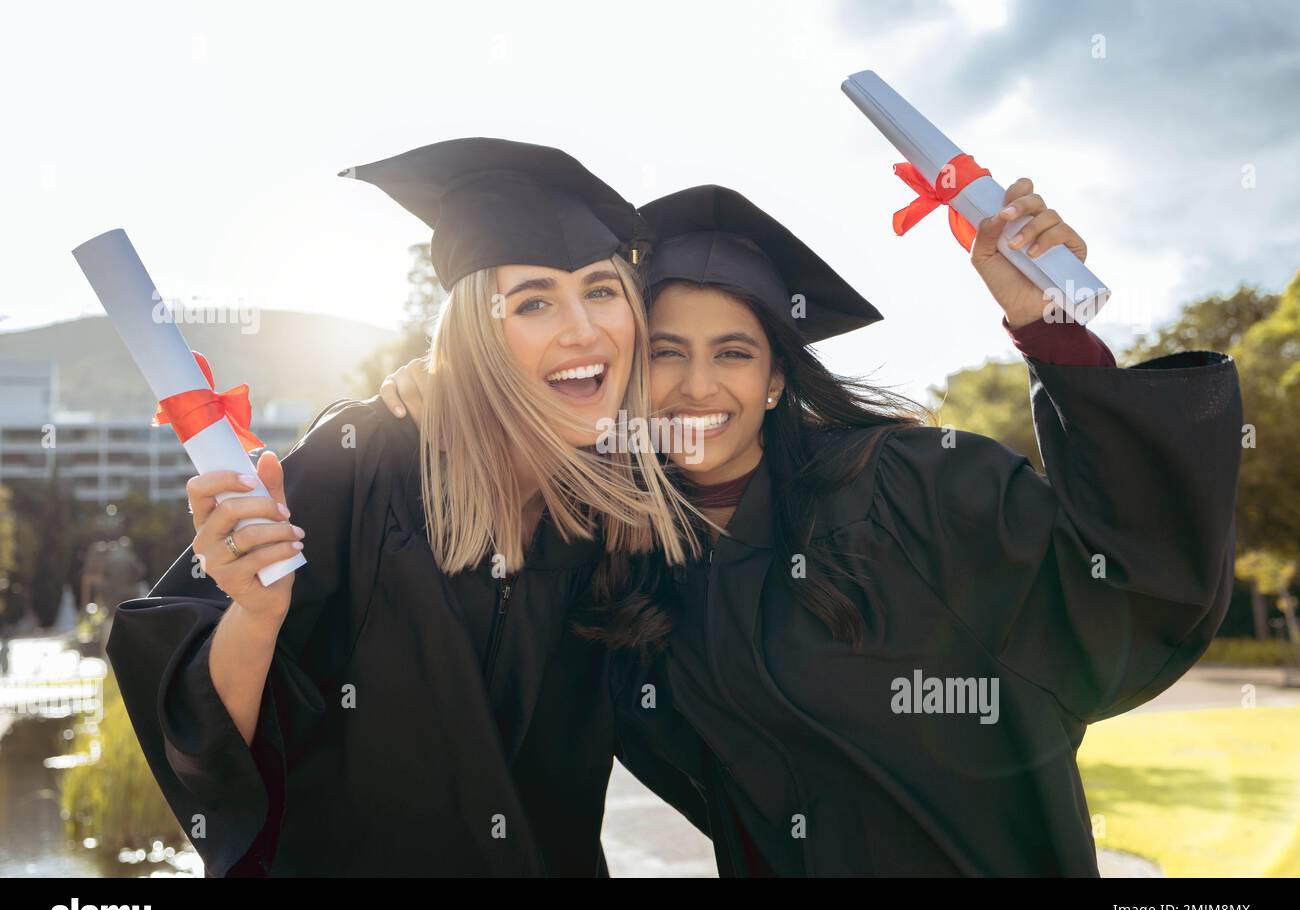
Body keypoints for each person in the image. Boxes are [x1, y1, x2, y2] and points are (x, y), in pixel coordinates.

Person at [380, 179, 1242, 875]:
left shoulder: (911, 488)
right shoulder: (619, 567)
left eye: (734, 353)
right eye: (666, 353)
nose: (696, 388)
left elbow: (1128, 574)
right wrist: (461, 390)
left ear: (777, 383)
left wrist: (1050, 327)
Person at [106, 138, 697, 876]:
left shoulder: (627, 508)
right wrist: (255, 618)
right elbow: (200, 728)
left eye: (602, 290)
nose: (582, 329)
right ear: (481, 336)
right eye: (534, 301)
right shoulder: (365, 461)